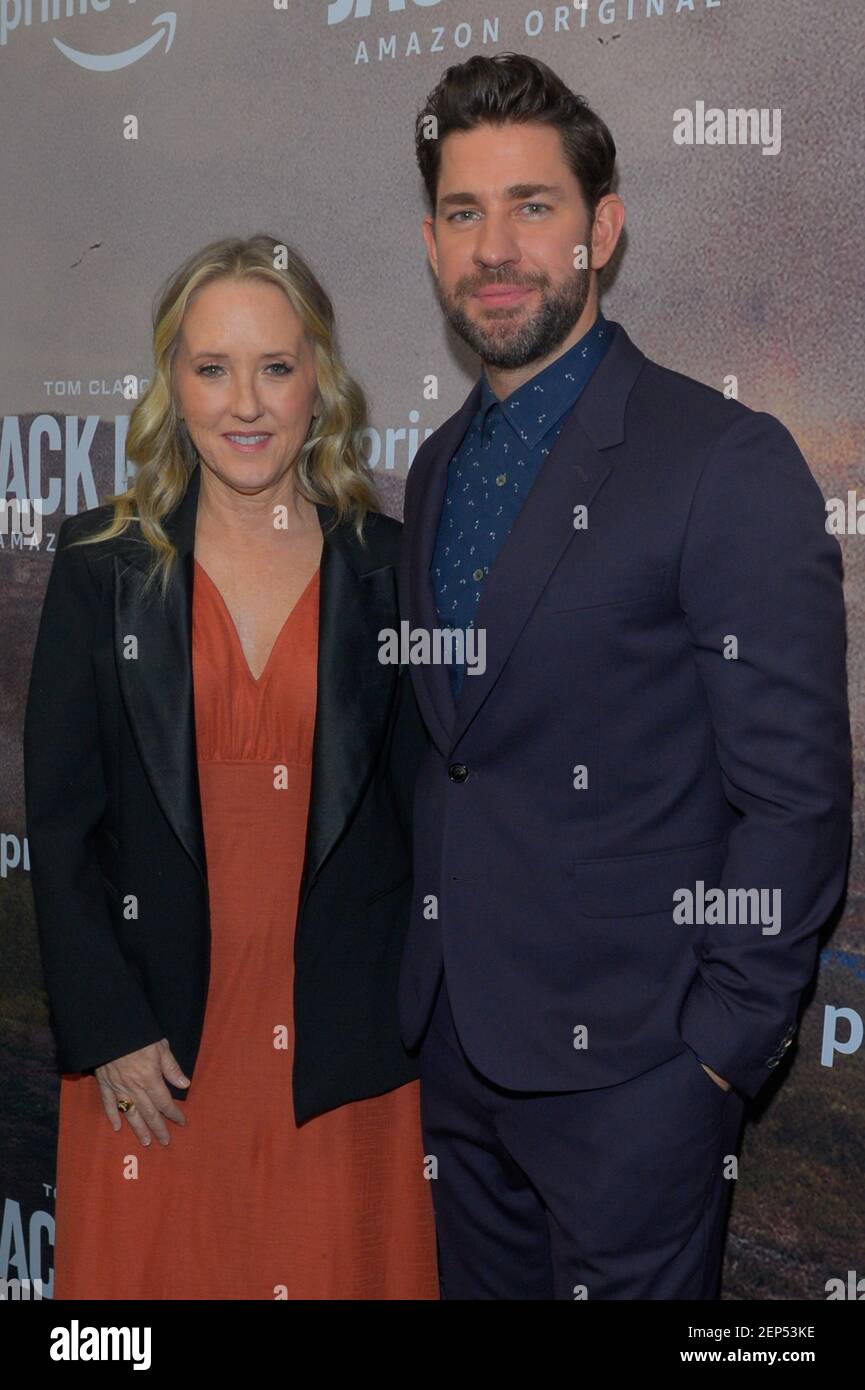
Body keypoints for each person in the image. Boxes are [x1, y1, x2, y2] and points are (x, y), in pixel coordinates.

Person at [397, 53, 852, 1300]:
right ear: (431, 242)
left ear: (602, 227)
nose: (495, 247)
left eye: (531, 206)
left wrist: (709, 1061)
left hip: (637, 1086)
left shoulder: (724, 462)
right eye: (462, 210)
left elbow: (797, 800)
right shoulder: (436, 468)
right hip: (454, 1062)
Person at [23, 233, 438, 1300]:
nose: (245, 403)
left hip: (336, 1060)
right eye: (212, 368)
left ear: (320, 383)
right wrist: (108, 1025)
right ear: (174, 383)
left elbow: (427, 822)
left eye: (275, 366)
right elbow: (63, 827)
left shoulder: (389, 571)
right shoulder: (99, 566)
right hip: (153, 1057)